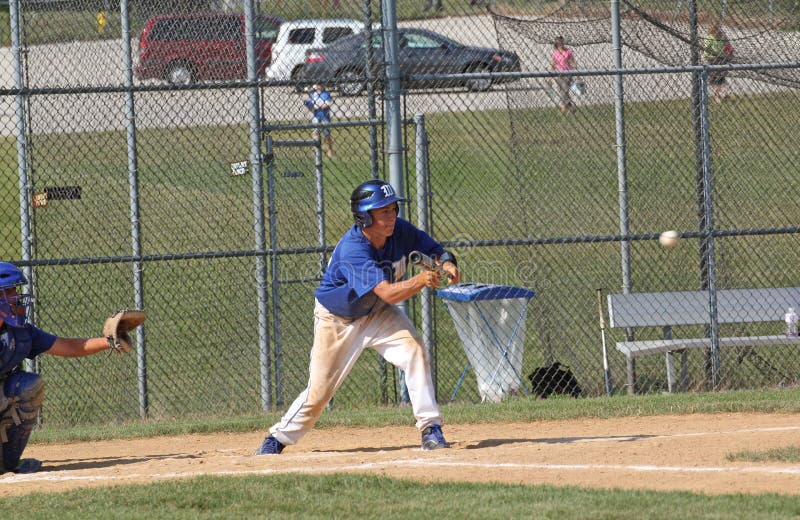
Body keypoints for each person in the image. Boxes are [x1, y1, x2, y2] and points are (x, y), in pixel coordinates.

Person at [255, 179, 462, 455]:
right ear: (364, 217)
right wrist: (423, 280)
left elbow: (436, 250)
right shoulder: (354, 249)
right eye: (383, 212)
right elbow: (388, 293)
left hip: (376, 313)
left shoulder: (400, 230)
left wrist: (447, 263)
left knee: (414, 350)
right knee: (319, 394)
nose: (392, 217)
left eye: (393, 209)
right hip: (338, 321)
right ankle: (276, 439)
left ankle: (431, 428)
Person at [0, 262, 129, 474]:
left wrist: (109, 341)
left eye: (16, 290)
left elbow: (69, 347)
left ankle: (7, 463)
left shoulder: (20, 331)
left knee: (28, 386)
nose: (17, 298)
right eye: (9, 292)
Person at [703, 24, 734, 102]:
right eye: (715, 30)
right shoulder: (712, 37)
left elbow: (728, 46)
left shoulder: (721, 37)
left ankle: (722, 94)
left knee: (719, 78)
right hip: (714, 59)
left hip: (719, 59)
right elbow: (707, 48)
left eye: (718, 30)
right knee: (716, 78)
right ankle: (718, 95)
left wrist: (730, 53)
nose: (717, 33)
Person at [304, 84, 334, 158]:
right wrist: (309, 105)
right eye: (318, 85)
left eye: (320, 85)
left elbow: (326, 105)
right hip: (316, 116)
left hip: (324, 116)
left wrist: (317, 105)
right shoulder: (313, 95)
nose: (319, 86)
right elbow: (311, 106)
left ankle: (330, 149)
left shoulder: (326, 94)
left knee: (327, 134)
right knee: (315, 132)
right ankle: (316, 150)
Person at [550, 36, 578, 114]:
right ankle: (571, 107)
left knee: (565, 90)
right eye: (559, 43)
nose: (561, 44)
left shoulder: (568, 51)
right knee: (562, 91)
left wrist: (575, 68)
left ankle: (563, 106)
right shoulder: (555, 53)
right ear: (556, 44)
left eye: (561, 43)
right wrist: (550, 77)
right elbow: (553, 65)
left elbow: (573, 62)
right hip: (559, 74)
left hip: (568, 73)